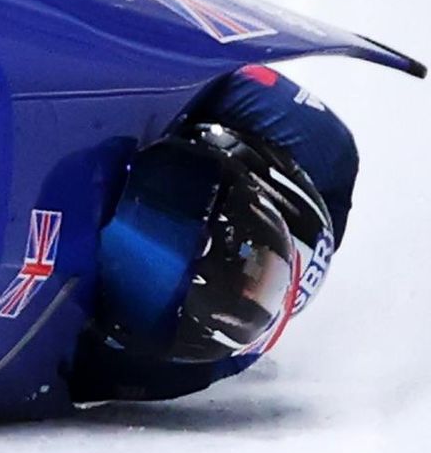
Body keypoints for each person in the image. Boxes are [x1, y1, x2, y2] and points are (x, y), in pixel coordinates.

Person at [74, 64, 359, 402]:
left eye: (234, 297)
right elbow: (189, 51)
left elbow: (56, 377)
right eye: (255, 255)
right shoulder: (320, 145)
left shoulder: (180, 369)